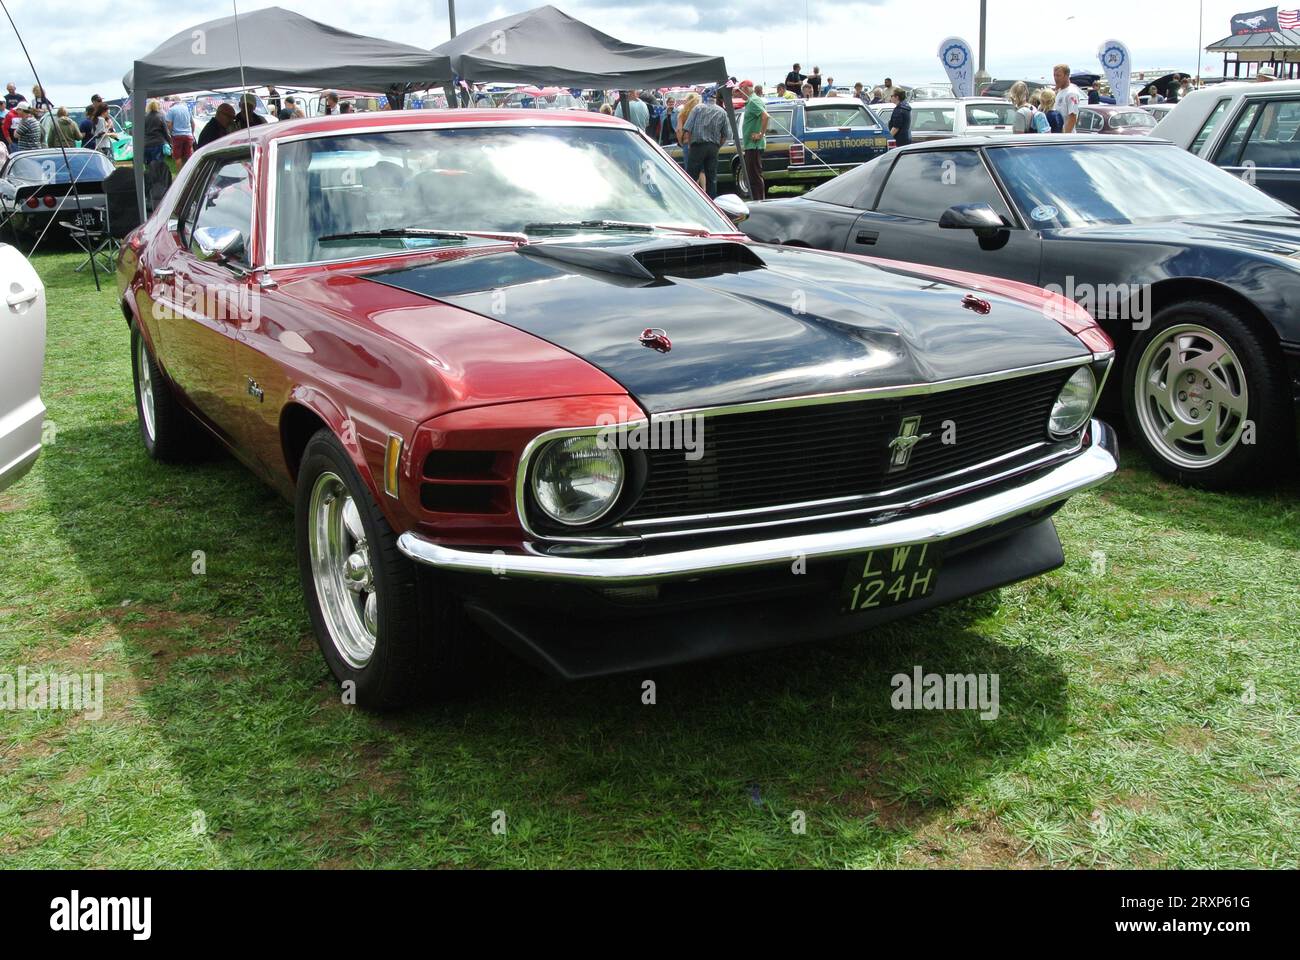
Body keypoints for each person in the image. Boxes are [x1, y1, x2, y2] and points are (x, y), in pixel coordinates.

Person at [683, 88, 728, 196]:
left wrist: (689, 145)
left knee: (692, 176)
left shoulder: (697, 108)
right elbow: (725, 135)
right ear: (715, 97)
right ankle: (712, 200)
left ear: (704, 96)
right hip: (713, 147)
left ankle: (691, 198)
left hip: (697, 145)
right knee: (711, 177)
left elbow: (688, 128)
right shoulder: (722, 111)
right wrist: (717, 146)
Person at [739, 79, 768, 200]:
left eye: (740, 92)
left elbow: (765, 116)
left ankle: (759, 201)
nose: (739, 95)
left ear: (746, 89)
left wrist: (760, 134)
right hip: (750, 145)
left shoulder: (754, 101)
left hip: (754, 145)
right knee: (752, 176)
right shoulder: (751, 101)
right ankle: (757, 199)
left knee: (755, 176)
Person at [1052, 63, 1081, 133]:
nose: (1055, 78)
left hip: (1066, 137)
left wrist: (1065, 136)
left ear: (1067, 76)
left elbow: (1072, 117)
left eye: (1058, 75)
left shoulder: (1071, 93)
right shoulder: (1059, 91)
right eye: (1054, 75)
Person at [166, 98, 194, 168]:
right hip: (188, 135)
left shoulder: (171, 110)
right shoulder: (187, 109)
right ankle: (190, 173)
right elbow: (193, 123)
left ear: (173, 102)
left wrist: (170, 133)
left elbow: (169, 124)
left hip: (177, 136)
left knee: (177, 156)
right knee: (189, 156)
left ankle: (180, 175)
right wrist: (192, 133)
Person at [142, 99, 171, 165]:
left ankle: (150, 175)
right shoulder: (160, 116)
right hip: (158, 143)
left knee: (149, 164)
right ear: (158, 106)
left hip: (146, 144)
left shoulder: (144, 117)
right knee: (158, 165)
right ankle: (158, 175)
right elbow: (165, 131)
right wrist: (169, 142)